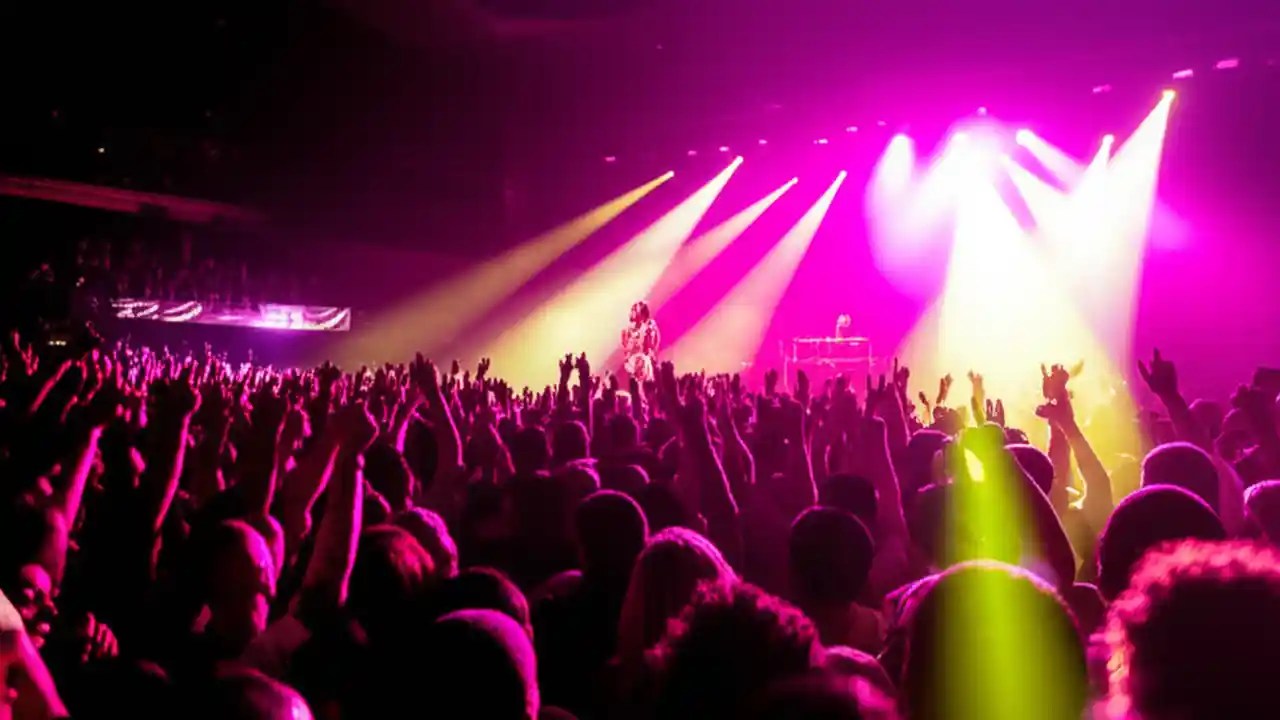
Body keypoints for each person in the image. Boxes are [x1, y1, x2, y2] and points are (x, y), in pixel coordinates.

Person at [620, 301, 660, 384]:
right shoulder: (629, 330)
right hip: (634, 367)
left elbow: (652, 345)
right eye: (632, 310)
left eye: (634, 310)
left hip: (644, 366)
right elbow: (627, 350)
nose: (631, 312)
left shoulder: (649, 326)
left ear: (641, 313)